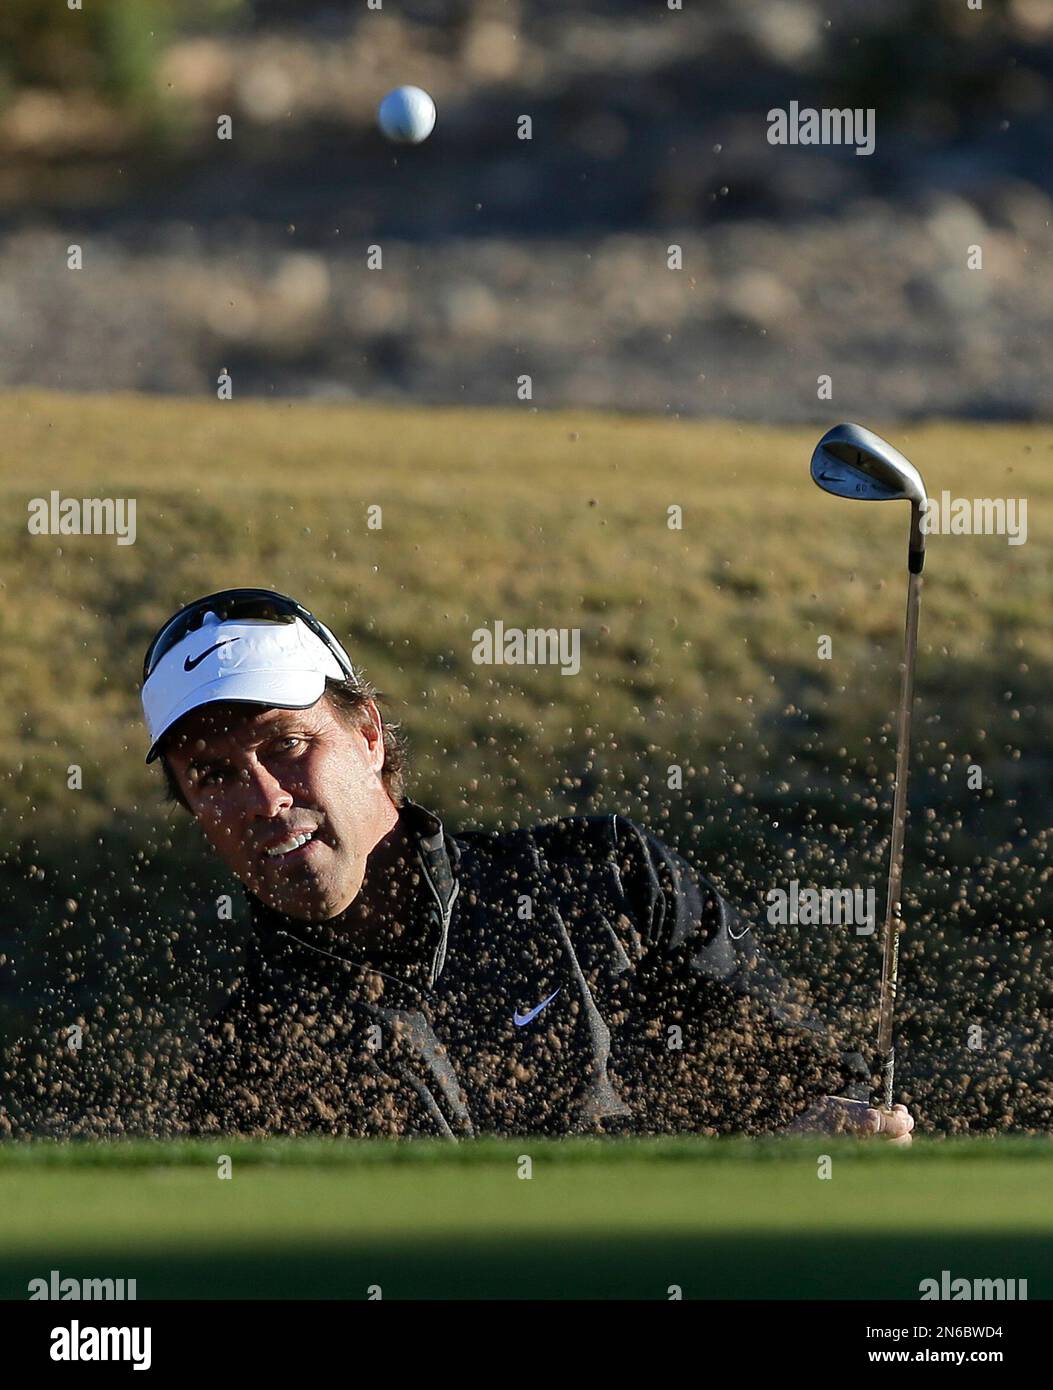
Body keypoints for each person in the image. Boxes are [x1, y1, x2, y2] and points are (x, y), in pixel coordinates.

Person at [141, 588, 915, 1143]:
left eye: (287, 746)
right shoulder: (251, 1058)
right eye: (212, 777)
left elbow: (813, 1091)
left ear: (369, 735)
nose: (265, 798)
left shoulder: (606, 881)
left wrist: (836, 1128)